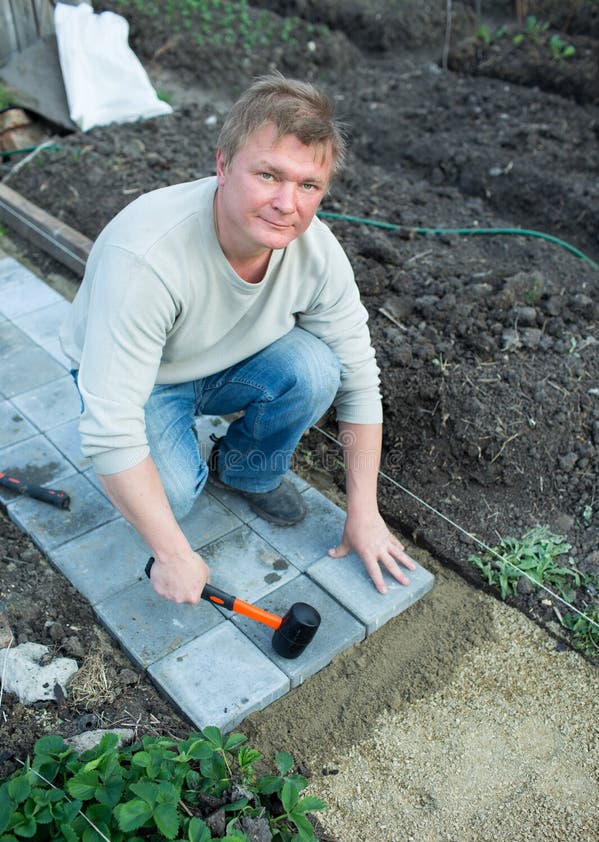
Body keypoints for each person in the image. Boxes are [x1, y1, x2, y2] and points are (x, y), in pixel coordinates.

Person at [60, 72, 416, 605]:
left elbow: (361, 384)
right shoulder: (147, 260)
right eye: (269, 175)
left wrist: (363, 513)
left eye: (308, 185)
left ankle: (245, 470)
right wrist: (174, 554)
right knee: (173, 497)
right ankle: (180, 461)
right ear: (223, 165)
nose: (286, 203)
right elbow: (111, 431)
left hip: (225, 359)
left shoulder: (317, 254)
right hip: (149, 380)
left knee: (321, 368)